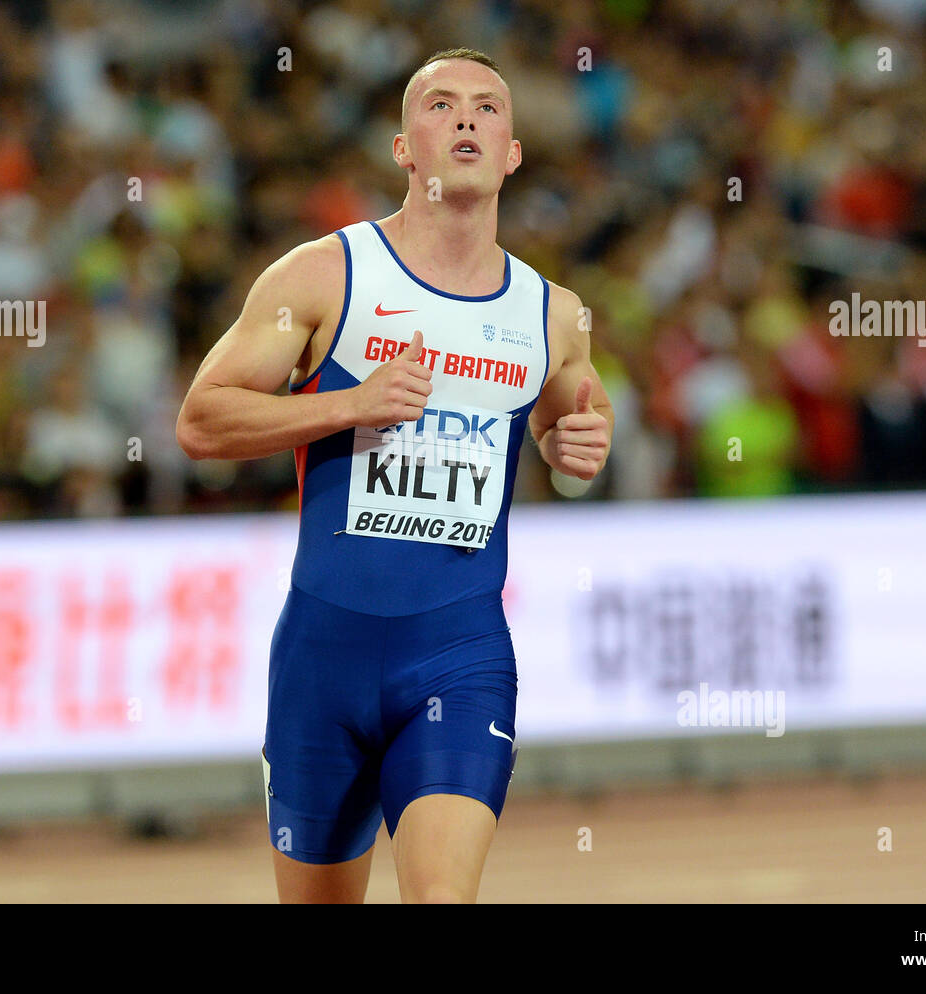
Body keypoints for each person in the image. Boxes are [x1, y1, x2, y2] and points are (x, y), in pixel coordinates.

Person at [176, 48, 614, 903]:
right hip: (322, 659)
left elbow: (574, 433)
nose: (465, 121)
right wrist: (346, 406)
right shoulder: (323, 276)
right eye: (440, 106)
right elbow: (200, 418)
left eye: (488, 109)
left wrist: (575, 457)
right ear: (403, 148)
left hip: (458, 653)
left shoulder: (553, 314)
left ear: (513, 152)